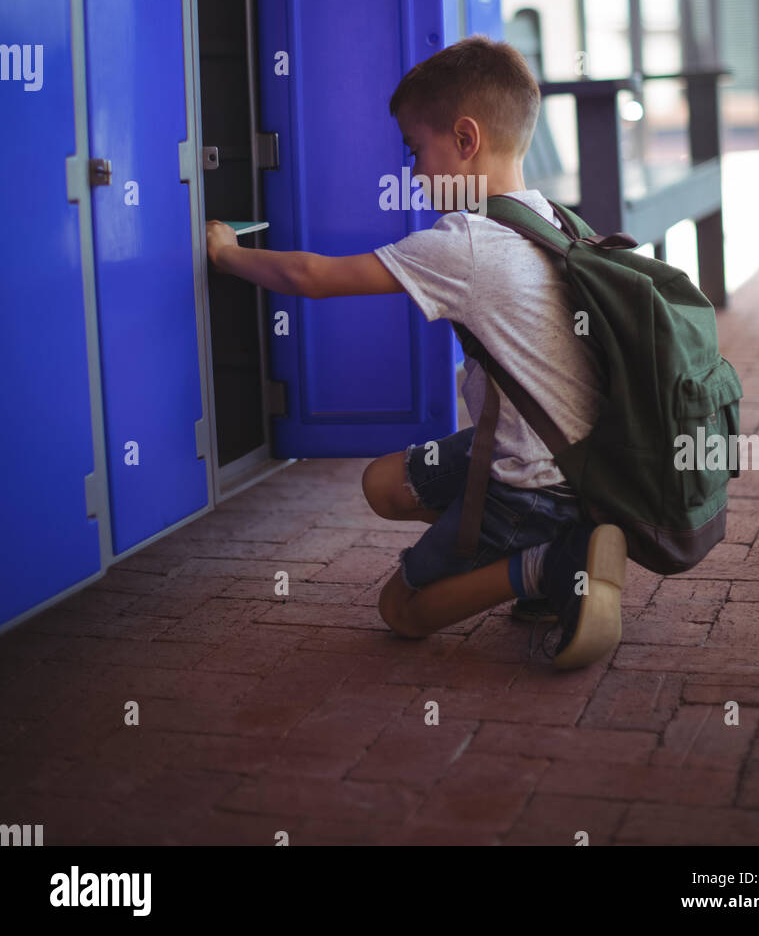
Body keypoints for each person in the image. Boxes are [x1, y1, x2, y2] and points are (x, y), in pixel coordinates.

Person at [206, 35, 627, 670]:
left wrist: (225, 253)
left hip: (527, 483)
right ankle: (555, 547)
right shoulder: (554, 218)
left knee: (400, 612)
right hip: (576, 464)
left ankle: (551, 565)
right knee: (384, 485)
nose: (413, 171)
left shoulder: (467, 242)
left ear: (465, 140)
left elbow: (315, 279)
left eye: (415, 149)